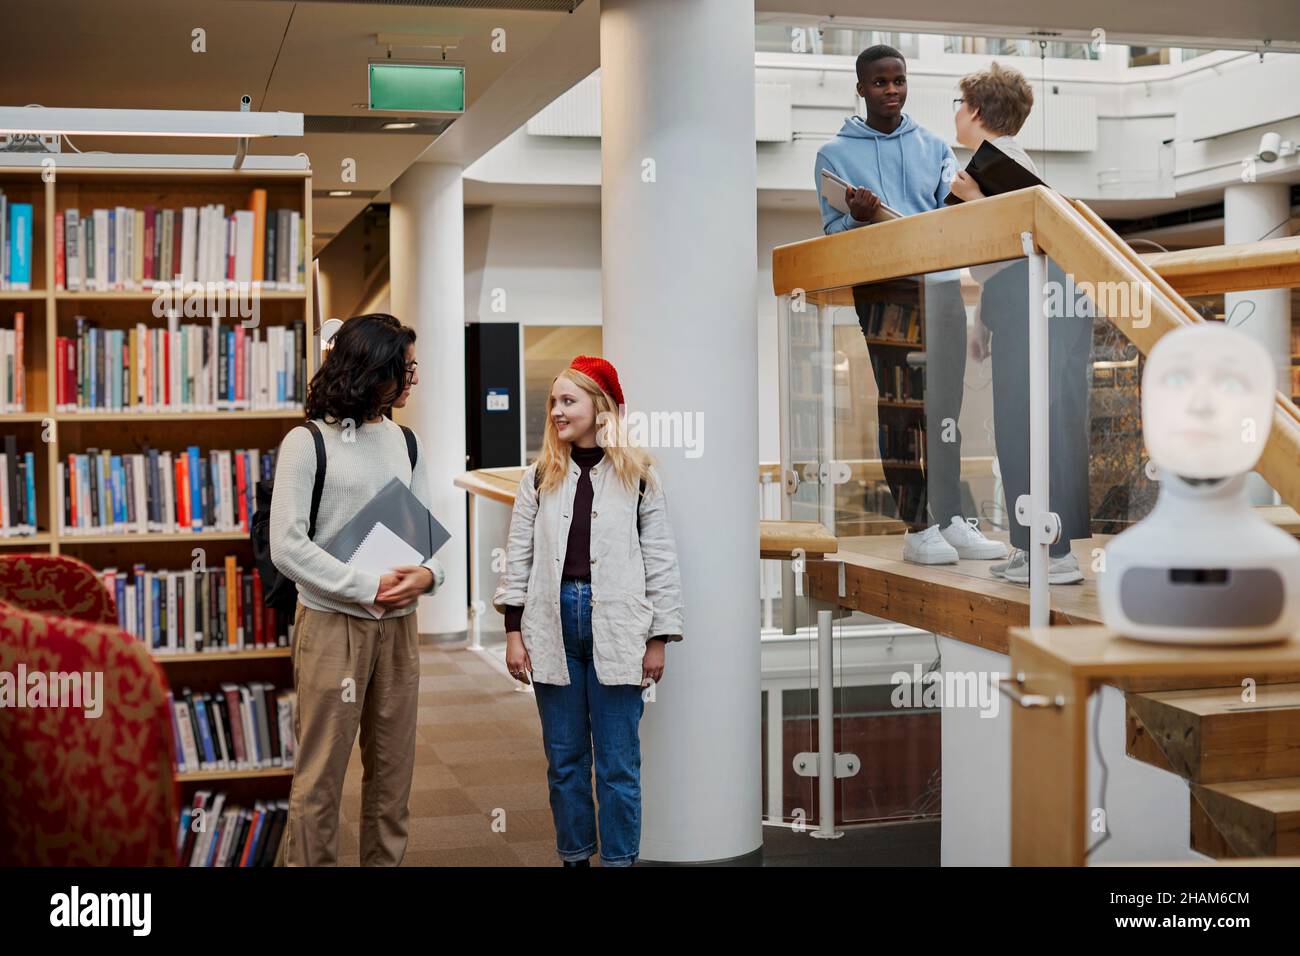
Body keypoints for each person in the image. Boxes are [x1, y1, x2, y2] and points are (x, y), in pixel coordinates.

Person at [814, 44, 1007, 566]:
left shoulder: (933, 145)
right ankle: (916, 525)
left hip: (941, 285)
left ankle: (949, 518)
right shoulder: (834, 154)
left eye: (899, 81)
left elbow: (950, 204)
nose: (892, 90)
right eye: (880, 82)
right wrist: (855, 216)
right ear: (861, 88)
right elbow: (832, 231)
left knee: (945, 408)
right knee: (901, 409)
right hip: (884, 290)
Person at [493, 355, 683, 867]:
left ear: (600, 408)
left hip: (619, 628)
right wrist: (514, 631)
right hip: (552, 626)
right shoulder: (538, 478)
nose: (556, 411)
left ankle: (619, 862)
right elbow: (520, 558)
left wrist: (658, 637)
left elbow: (661, 561)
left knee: (619, 764)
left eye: (567, 400)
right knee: (565, 761)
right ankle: (575, 857)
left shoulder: (640, 477)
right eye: (553, 401)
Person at [270, 313, 446, 865]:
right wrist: (366, 585)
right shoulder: (306, 442)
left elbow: (424, 534)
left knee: (393, 780)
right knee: (320, 779)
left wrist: (430, 575)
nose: (413, 378)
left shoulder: (407, 442)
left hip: (398, 630)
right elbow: (287, 547)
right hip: (330, 626)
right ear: (372, 369)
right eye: (404, 366)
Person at [949, 63, 1092, 584]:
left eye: (959, 104)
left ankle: (1051, 553)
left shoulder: (1002, 165)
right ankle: (1036, 547)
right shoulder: (995, 164)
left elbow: (1022, 241)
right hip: (1025, 299)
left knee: (1033, 424)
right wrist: (985, 321)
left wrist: (973, 202)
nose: (956, 114)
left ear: (979, 112)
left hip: (1039, 299)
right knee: (1025, 423)